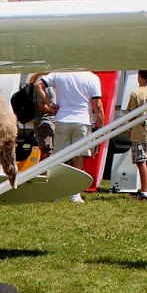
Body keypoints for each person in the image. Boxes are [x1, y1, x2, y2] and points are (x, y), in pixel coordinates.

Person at [35, 69, 106, 202]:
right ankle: (75, 194)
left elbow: (37, 85)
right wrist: (101, 125)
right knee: (79, 158)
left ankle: (55, 193)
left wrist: (49, 103)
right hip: (83, 121)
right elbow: (97, 105)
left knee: (58, 159)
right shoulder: (92, 77)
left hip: (62, 119)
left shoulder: (59, 74)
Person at [122, 70, 147, 199]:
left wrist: (129, 127)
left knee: (140, 161)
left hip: (139, 130)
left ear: (139, 76)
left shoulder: (136, 93)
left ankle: (145, 190)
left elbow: (131, 114)